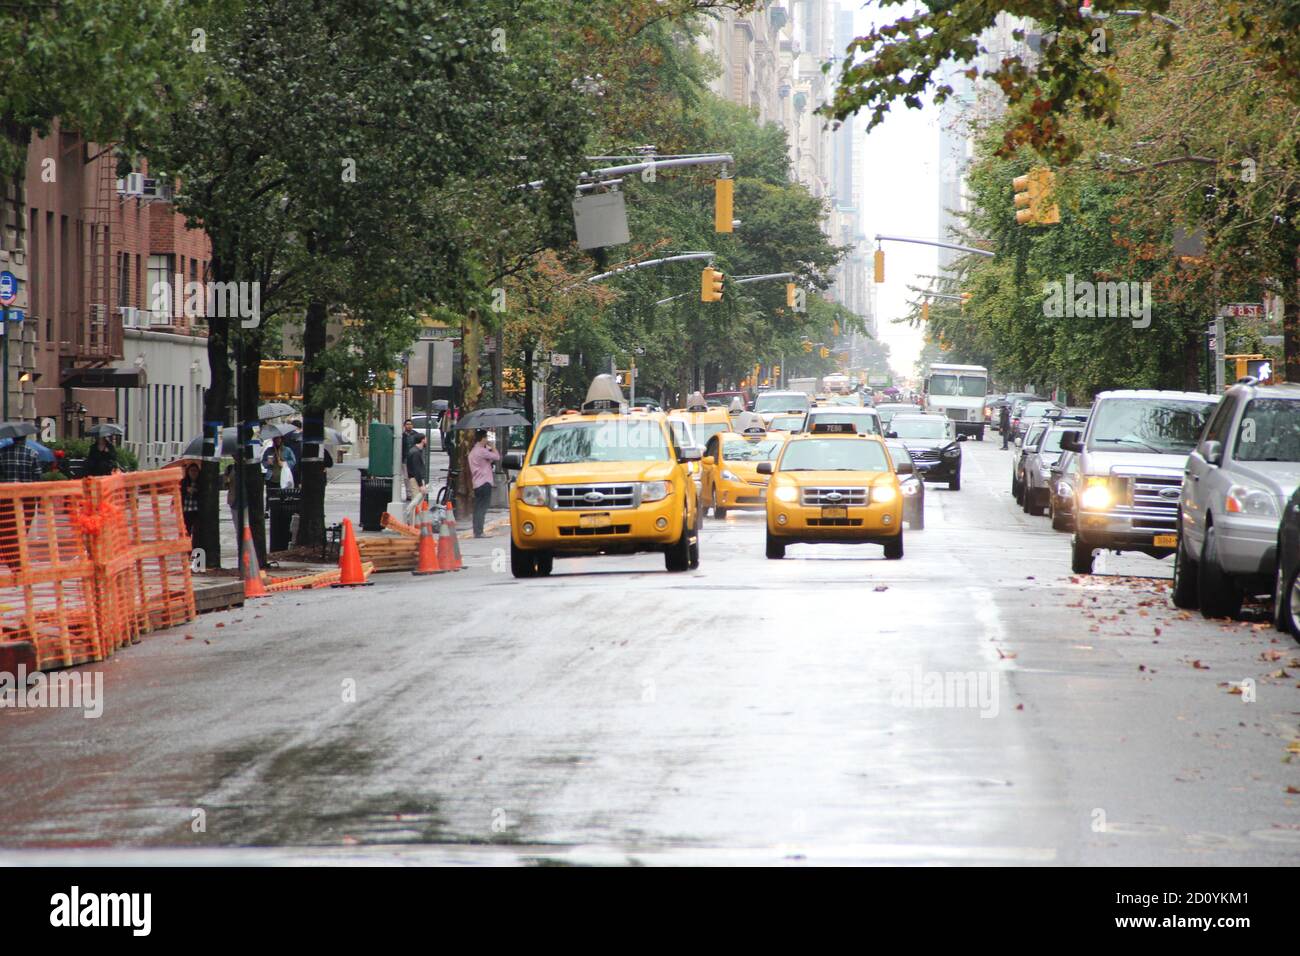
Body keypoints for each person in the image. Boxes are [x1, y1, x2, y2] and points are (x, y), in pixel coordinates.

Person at [0, 434, 45, 572]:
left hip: (6, 497)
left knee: (7, 530)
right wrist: (39, 498)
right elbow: (37, 477)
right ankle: (18, 562)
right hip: (27, 497)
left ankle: (13, 561)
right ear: (25, 438)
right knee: (22, 529)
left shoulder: (2, 453)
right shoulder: (32, 453)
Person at [468, 428, 500, 538]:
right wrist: (493, 447)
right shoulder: (481, 451)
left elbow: (487, 461)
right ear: (482, 438)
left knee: (478, 507)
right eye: (486, 437)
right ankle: (479, 531)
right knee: (482, 507)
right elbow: (497, 457)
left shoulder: (474, 451)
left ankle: (477, 530)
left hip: (477, 482)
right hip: (484, 482)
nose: (487, 440)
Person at [405, 433, 428, 512]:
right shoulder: (416, 453)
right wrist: (421, 485)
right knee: (417, 503)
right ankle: (414, 522)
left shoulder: (415, 451)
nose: (426, 441)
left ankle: (414, 521)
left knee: (417, 502)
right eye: (425, 439)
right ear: (422, 440)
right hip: (416, 480)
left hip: (414, 479)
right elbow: (416, 470)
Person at [181, 462, 201, 538]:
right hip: (186, 510)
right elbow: (180, 491)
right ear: (188, 472)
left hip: (196, 510)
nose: (193, 473)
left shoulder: (201, 482)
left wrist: (196, 491)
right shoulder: (184, 482)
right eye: (191, 471)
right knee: (186, 530)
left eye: (195, 471)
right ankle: (187, 547)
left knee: (197, 531)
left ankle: (195, 546)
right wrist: (186, 489)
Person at [400, 419, 418, 500]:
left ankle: (414, 492)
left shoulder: (416, 435)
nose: (409, 425)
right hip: (405, 460)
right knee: (406, 478)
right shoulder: (402, 436)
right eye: (407, 424)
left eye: (410, 424)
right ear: (404, 426)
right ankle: (409, 494)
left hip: (414, 459)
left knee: (413, 477)